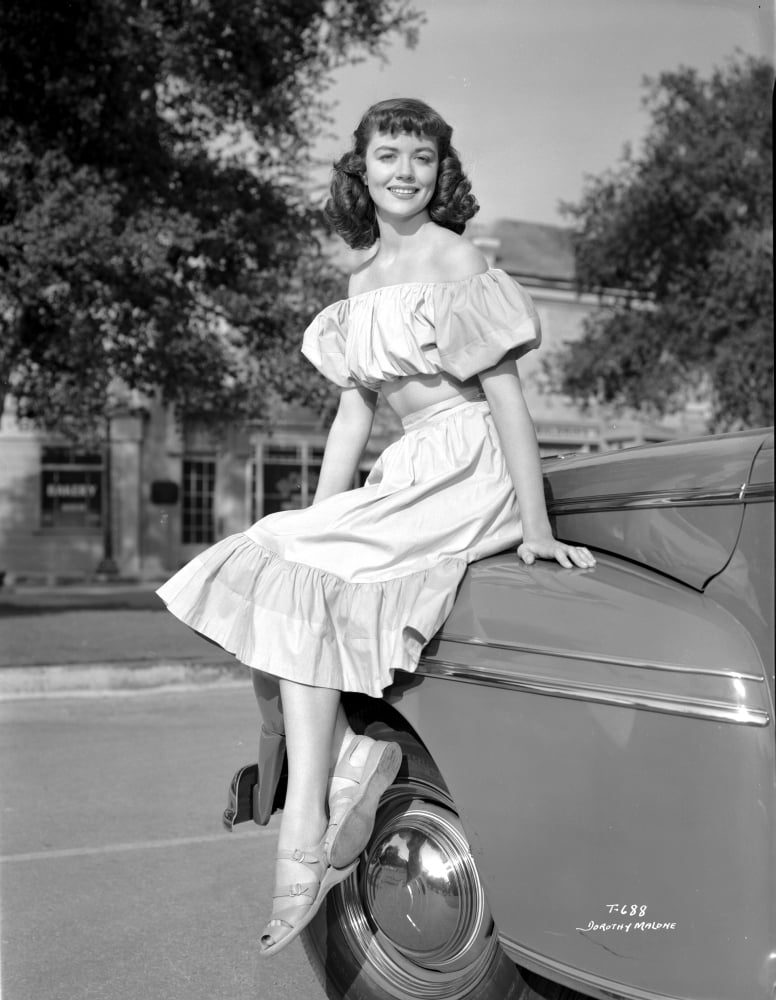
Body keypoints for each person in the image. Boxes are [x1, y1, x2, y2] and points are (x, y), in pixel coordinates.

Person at [157, 97, 596, 957]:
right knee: (277, 564)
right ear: (361, 168)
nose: (405, 171)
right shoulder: (359, 285)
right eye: (389, 155)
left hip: (470, 467)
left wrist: (533, 521)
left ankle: (307, 827)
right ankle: (346, 764)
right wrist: (324, 517)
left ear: (442, 172)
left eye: (422, 159)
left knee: (291, 571)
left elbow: (507, 400)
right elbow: (353, 423)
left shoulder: (456, 257)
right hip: (409, 472)